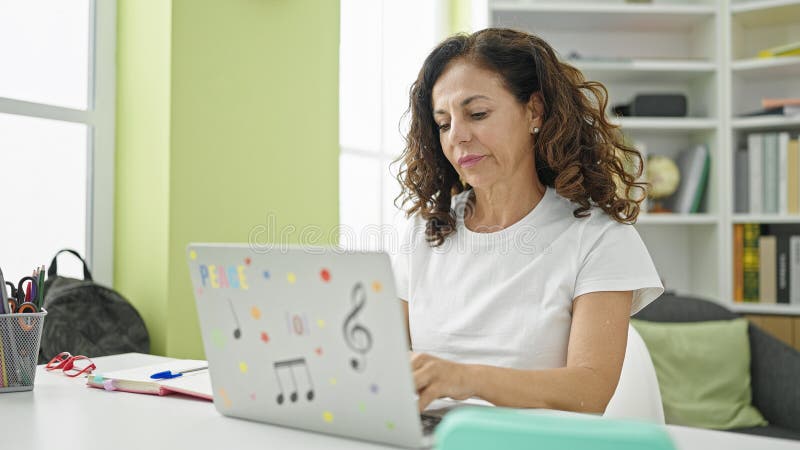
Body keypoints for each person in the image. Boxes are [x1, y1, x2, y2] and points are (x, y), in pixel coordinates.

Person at [392, 28, 664, 414]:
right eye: (444, 123)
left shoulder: (599, 237)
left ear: (533, 111)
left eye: (477, 114)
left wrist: (465, 379)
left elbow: (589, 390)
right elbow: (384, 361)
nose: (458, 137)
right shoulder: (425, 231)